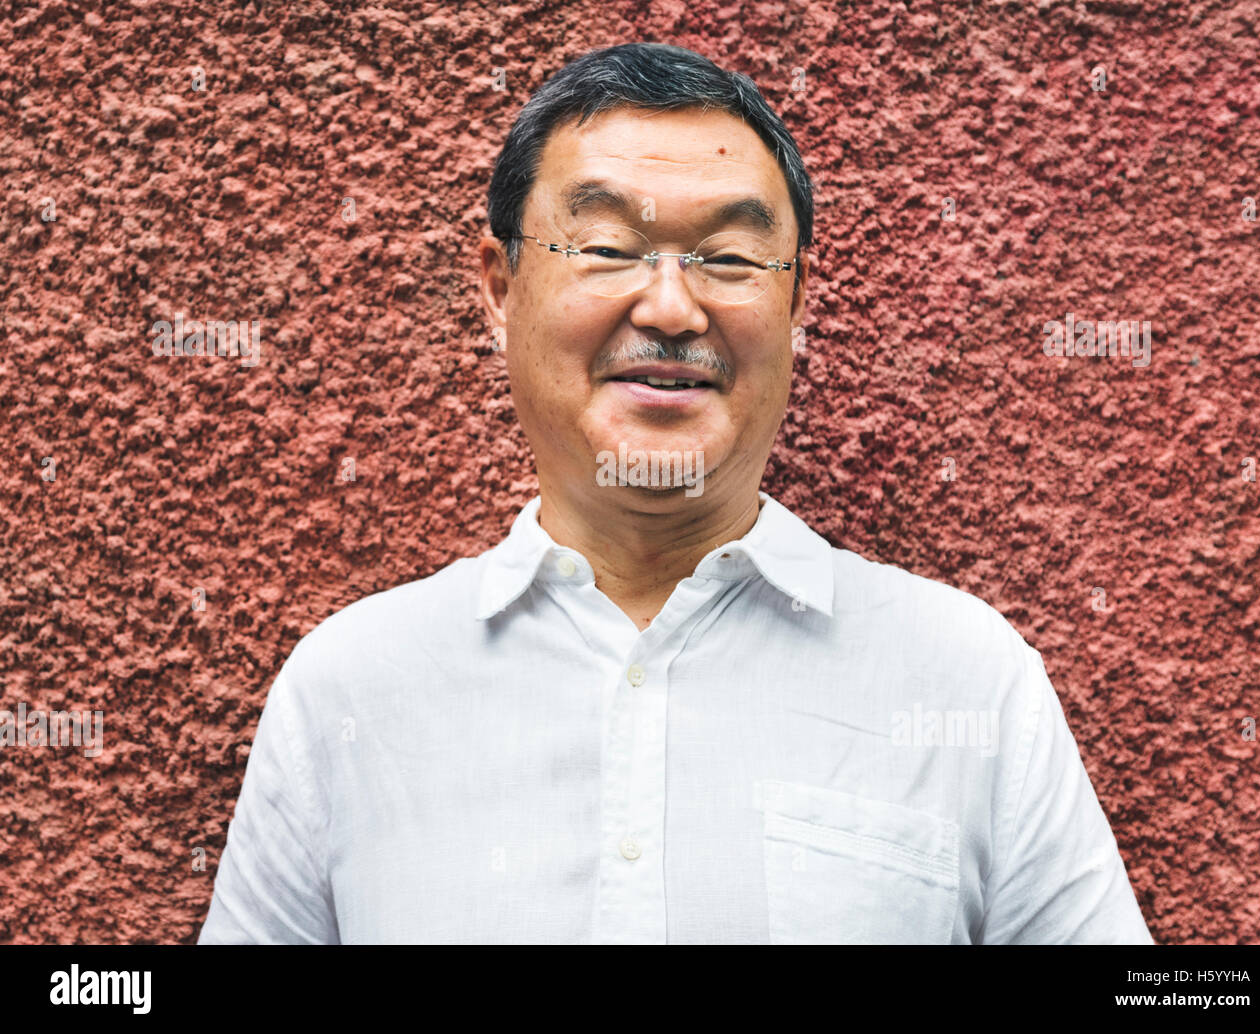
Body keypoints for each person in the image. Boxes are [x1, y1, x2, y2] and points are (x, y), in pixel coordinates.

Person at [198, 42, 1153, 944]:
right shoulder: (351, 692)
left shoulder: (965, 680)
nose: (668, 308)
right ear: (500, 288)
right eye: (607, 247)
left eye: (730, 259)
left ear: (797, 303)